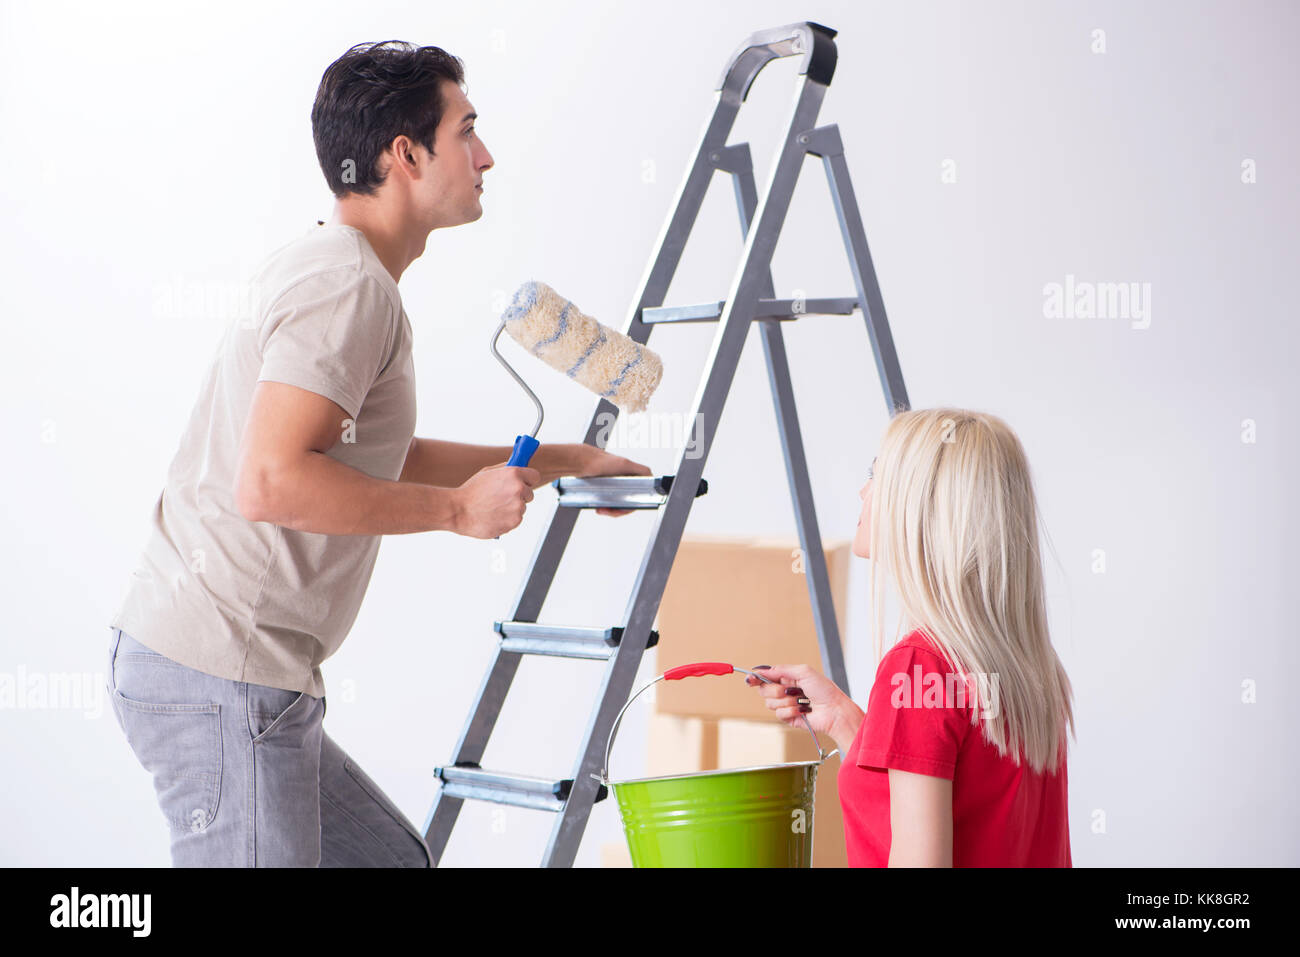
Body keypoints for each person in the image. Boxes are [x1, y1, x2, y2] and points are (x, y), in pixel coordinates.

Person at [105, 40, 649, 867]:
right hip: (219, 671)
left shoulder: (345, 273)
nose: (486, 155)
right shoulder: (347, 286)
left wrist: (560, 459)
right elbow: (272, 480)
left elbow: (380, 455)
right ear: (405, 154)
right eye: (467, 131)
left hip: (238, 670)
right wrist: (459, 512)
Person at [747, 408, 1075, 866]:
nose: (862, 490)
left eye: (876, 474)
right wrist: (845, 719)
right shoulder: (1029, 662)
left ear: (921, 507)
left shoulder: (920, 666)